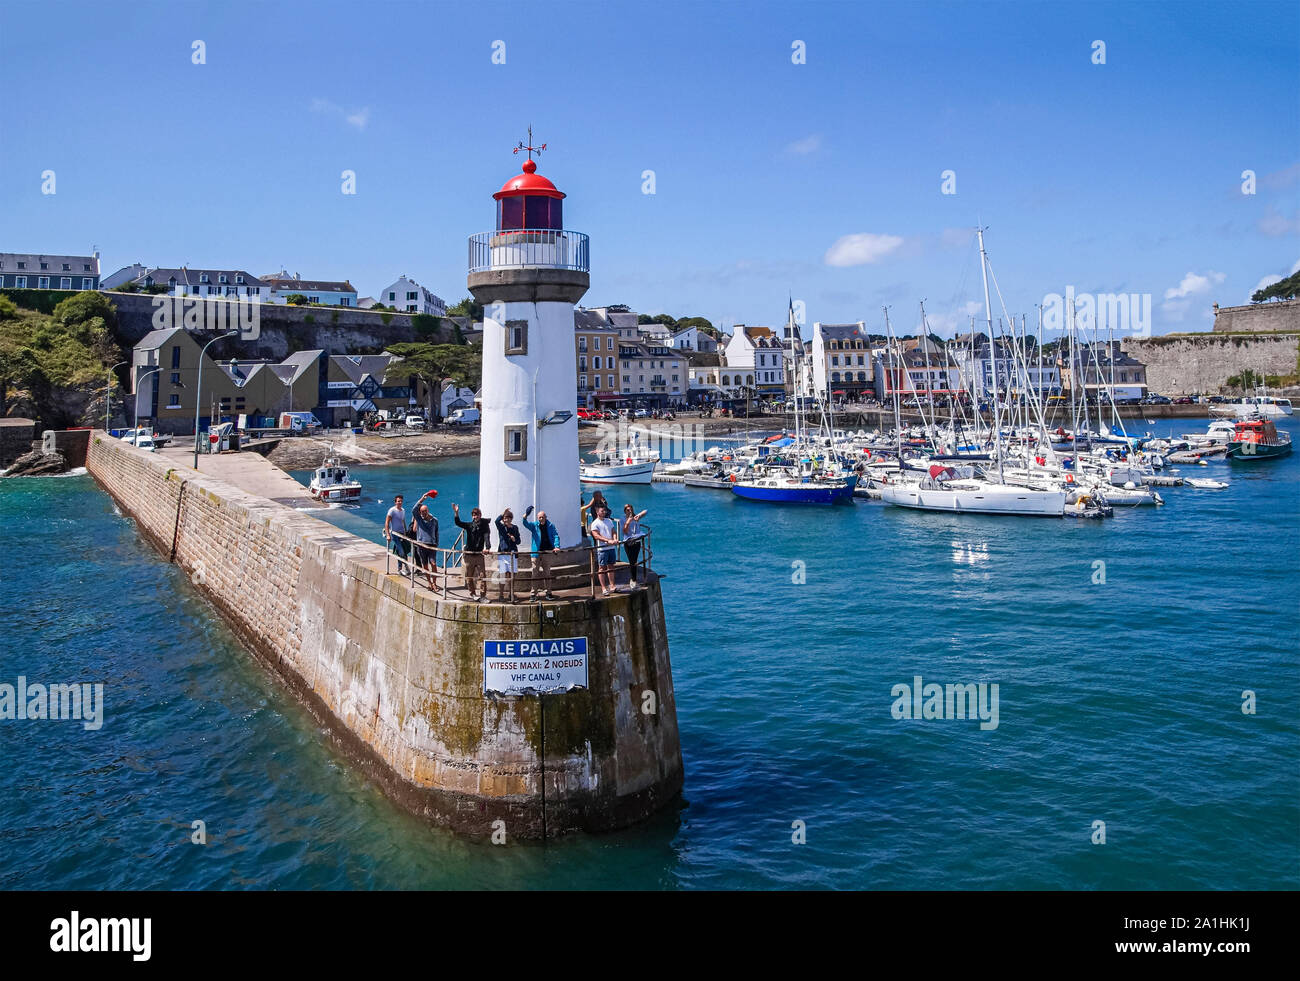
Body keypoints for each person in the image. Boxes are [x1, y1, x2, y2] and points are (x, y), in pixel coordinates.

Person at [453, 503, 491, 601]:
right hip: (469, 555)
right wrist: (456, 513)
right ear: (472, 516)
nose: (475, 516)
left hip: (479, 555)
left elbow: (487, 536)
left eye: (477, 514)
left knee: (482, 576)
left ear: (480, 515)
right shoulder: (469, 525)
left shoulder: (484, 526)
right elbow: (458, 523)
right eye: (474, 515)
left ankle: (483, 596)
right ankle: (473, 594)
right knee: (469, 576)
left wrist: (488, 547)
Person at [523, 504, 561, 599]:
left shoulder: (551, 525)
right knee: (534, 573)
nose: (541, 519)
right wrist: (525, 516)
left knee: (547, 573)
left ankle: (548, 593)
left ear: (546, 517)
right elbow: (525, 524)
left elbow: (556, 535)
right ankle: (533, 593)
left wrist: (556, 546)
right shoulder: (534, 526)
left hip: (547, 552)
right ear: (537, 518)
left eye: (542, 517)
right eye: (539, 517)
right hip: (536, 553)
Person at [588, 505, 620, 596]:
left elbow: (613, 531)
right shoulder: (595, 523)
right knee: (602, 568)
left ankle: (612, 585)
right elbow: (596, 535)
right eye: (602, 511)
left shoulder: (609, 521)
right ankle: (603, 588)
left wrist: (614, 538)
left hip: (611, 548)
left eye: (604, 511)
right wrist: (607, 540)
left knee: (611, 566)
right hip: (602, 549)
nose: (604, 512)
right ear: (597, 512)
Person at [410, 499, 439, 590]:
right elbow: (414, 509)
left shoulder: (434, 520)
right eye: (422, 511)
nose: (423, 513)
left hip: (432, 545)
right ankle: (429, 583)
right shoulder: (418, 519)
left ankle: (434, 583)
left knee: (433, 563)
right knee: (425, 565)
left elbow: (437, 532)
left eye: (425, 511)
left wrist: (436, 543)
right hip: (421, 545)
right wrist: (422, 499)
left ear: (428, 511)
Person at [494, 509, 521, 602]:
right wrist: (502, 513)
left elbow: (519, 541)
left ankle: (511, 594)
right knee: (502, 576)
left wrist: (514, 539)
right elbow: (496, 521)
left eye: (508, 518)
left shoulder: (515, 528)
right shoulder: (501, 527)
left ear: (511, 519)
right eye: (505, 518)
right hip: (503, 553)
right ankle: (501, 595)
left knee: (512, 576)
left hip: (512, 554)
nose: (506, 520)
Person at [621, 504, 647, 589]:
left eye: (631, 509)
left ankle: (634, 579)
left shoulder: (635, 517)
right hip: (628, 542)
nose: (630, 511)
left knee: (635, 561)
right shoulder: (622, 519)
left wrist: (638, 516)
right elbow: (624, 531)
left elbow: (645, 511)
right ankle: (633, 580)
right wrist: (628, 522)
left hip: (637, 541)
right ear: (625, 511)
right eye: (628, 510)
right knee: (631, 561)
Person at [384, 494, 409, 575]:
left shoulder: (403, 510)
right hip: (395, 534)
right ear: (395, 502)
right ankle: (403, 567)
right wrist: (388, 534)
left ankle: (401, 568)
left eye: (401, 501)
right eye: (398, 501)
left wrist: (405, 533)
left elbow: (403, 522)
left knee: (404, 551)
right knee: (401, 551)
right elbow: (387, 523)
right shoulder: (392, 510)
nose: (400, 502)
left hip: (402, 534)